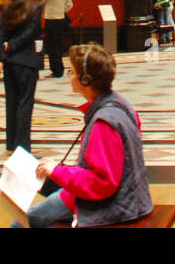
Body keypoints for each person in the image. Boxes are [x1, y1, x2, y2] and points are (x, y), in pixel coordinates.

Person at [26, 44, 154, 227]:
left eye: (71, 71)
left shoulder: (105, 123)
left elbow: (102, 183)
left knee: (33, 217)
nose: (69, 76)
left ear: (86, 79)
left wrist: (58, 172)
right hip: (130, 198)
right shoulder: (119, 104)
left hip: (116, 205)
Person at [0, 0, 44, 153]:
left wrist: (2, 54)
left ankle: (11, 143)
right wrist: (14, 46)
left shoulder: (8, 7)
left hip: (10, 61)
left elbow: (0, 32)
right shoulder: (36, 8)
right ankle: (23, 144)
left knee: (12, 102)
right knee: (25, 103)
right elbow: (32, 31)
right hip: (28, 60)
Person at [41, 0, 73, 78]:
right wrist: (60, 10)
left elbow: (41, 1)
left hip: (50, 20)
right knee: (58, 45)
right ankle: (60, 68)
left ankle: (55, 70)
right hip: (61, 20)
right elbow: (70, 4)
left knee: (51, 46)